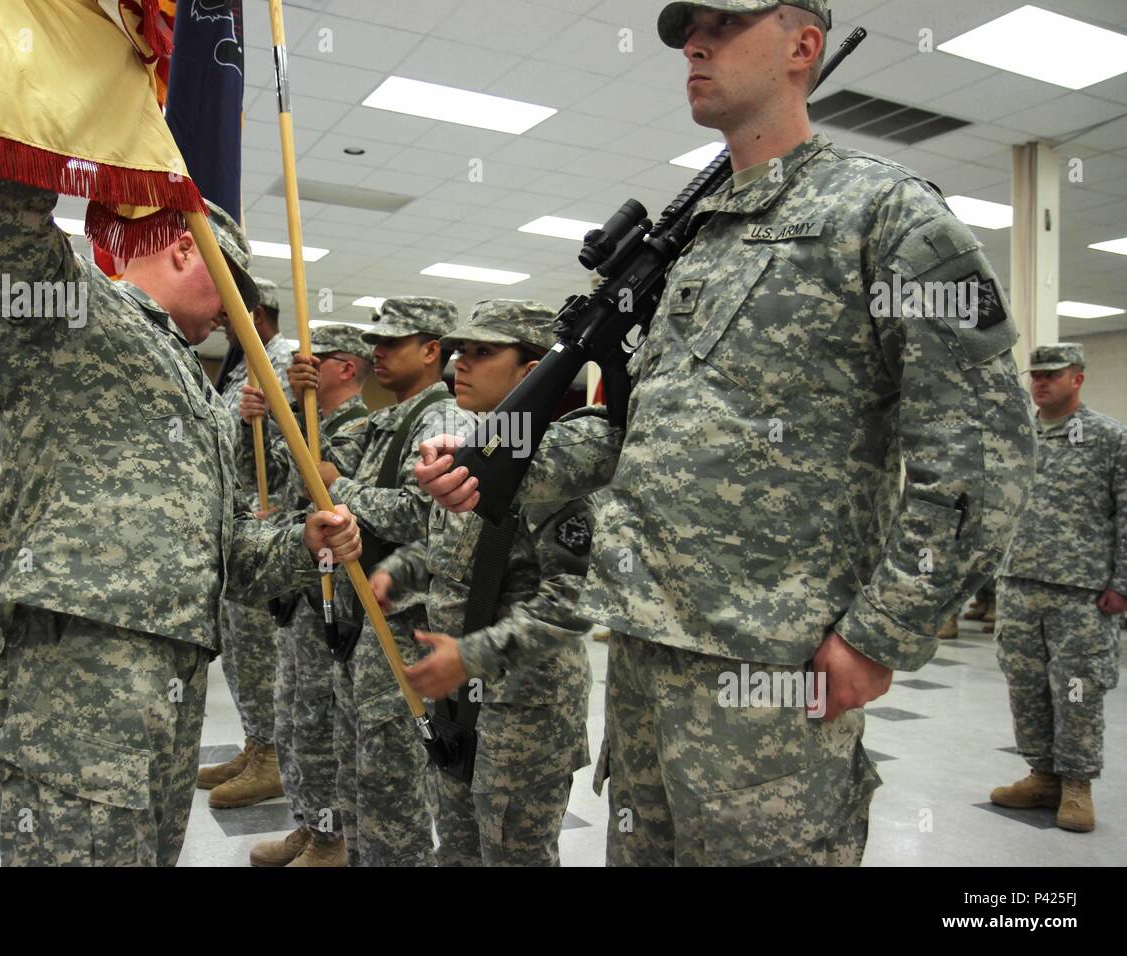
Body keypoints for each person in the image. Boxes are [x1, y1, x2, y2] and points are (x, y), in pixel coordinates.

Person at [414, 0, 1034, 866]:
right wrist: (503, 463)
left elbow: (984, 448)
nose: (696, 45)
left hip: (773, 677)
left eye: (725, 25)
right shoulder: (691, 249)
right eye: (686, 32)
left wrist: (882, 632)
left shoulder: (884, 214)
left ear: (803, 46)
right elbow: (644, 439)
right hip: (641, 657)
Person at [0, 168, 362, 866]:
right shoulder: (76, 312)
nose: (233, 314)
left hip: (173, 673)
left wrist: (300, 541)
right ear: (182, 250)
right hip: (86, 661)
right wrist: (65, 95)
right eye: (228, 285)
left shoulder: (195, 386)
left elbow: (225, 550)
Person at [374, 299, 593, 866]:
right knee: (458, 852)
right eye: (460, 351)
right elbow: (445, 547)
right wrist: (395, 573)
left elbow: (573, 600)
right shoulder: (474, 451)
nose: (459, 365)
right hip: (461, 705)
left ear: (532, 371)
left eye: (483, 352)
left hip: (524, 713)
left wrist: (471, 656)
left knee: (512, 857)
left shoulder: (558, 468)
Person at [247, 296, 458, 866]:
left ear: (431, 349)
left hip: (400, 621)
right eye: (375, 342)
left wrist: (343, 490)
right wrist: (286, 408)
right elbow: (312, 474)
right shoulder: (387, 420)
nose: (377, 352)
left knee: (391, 785)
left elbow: (426, 514)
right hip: (357, 618)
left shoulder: (442, 420)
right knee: (358, 770)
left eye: (392, 342)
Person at [247, 322, 373, 867]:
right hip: (297, 592)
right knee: (293, 715)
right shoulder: (310, 422)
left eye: (316, 359)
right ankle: (307, 820)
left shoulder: (357, 427)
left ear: (345, 368)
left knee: (321, 724)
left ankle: (331, 836)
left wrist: (285, 412)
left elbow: (314, 483)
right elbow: (271, 477)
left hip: (332, 597)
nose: (303, 367)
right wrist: (272, 417)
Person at [991, 343, 1126, 833]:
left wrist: (1123, 584)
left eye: (1053, 374)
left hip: (1081, 593)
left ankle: (1077, 786)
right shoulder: (1017, 437)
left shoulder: (1110, 439)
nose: (1041, 382)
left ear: (1078, 379)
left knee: (1076, 689)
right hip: (1018, 584)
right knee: (1025, 687)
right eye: (1037, 375)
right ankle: (1042, 775)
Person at [196, 280, 298, 809]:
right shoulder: (239, 364)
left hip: (267, 525)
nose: (216, 321)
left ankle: (274, 757)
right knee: (237, 648)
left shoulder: (282, 361)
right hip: (235, 525)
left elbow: (297, 443)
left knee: (259, 648)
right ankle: (256, 741)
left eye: (225, 313)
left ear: (253, 312)